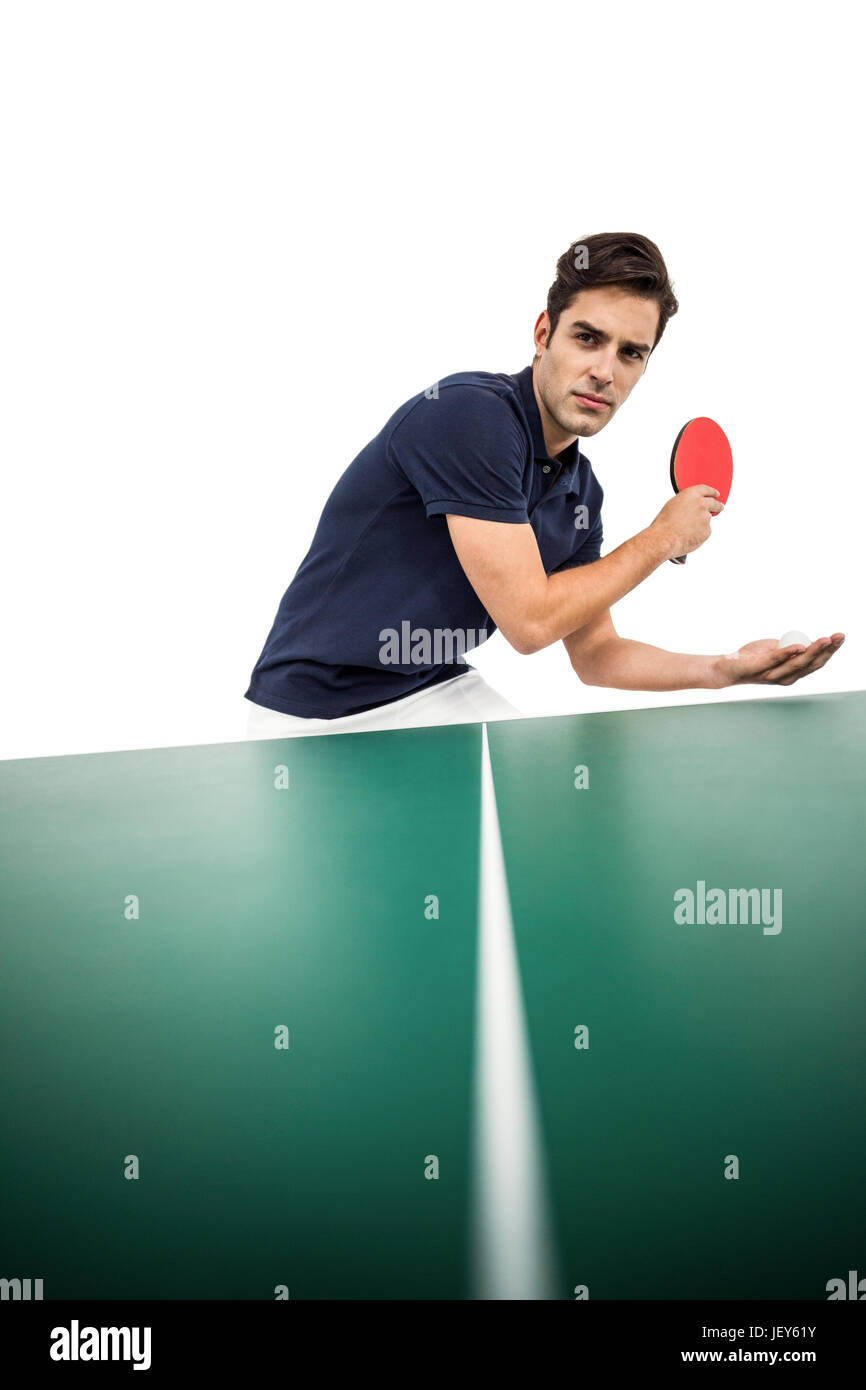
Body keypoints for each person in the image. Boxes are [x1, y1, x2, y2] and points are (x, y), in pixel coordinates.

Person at [244, 231, 843, 740]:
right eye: (588, 338)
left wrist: (728, 669)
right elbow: (529, 623)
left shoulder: (581, 496)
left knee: (557, 823)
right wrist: (661, 539)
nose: (605, 371)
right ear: (543, 333)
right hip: (309, 711)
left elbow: (596, 655)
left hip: (428, 683)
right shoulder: (467, 416)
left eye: (631, 353)